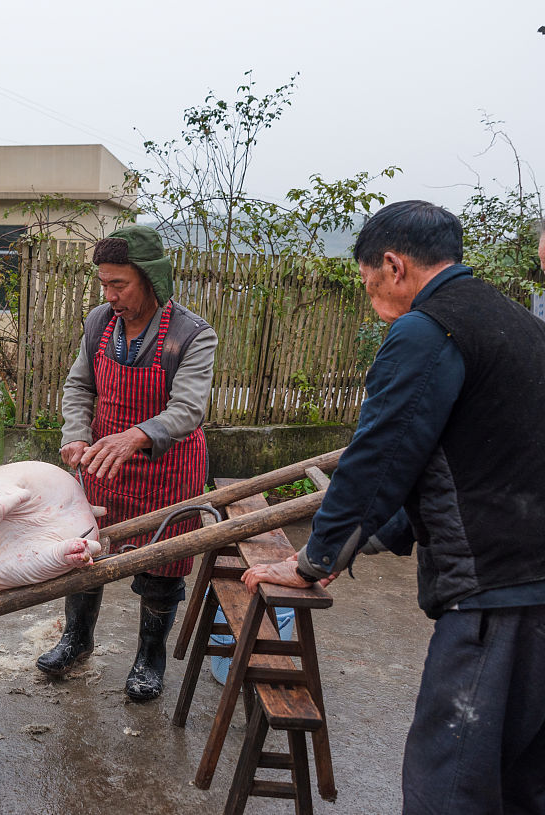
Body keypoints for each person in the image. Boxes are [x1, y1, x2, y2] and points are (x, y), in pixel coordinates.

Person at [242, 201, 545, 814]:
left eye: (367, 281)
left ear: (392, 264)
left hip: (493, 593)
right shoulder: (519, 324)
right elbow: (464, 468)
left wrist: (315, 558)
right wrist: (372, 539)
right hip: (530, 581)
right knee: (521, 782)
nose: (370, 296)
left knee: (450, 783)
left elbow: (379, 456)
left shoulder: (428, 329)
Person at [38, 224, 217, 702]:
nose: (109, 295)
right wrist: (76, 433)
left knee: (161, 569)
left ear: (151, 280)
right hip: (103, 466)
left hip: (168, 472)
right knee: (84, 554)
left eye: (119, 284)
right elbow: (79, 386)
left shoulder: (192, 335)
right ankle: (76, 641)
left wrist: (137, 436)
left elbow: (188, 409)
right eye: (104, 284)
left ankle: (149, 659)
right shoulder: (99, 323)